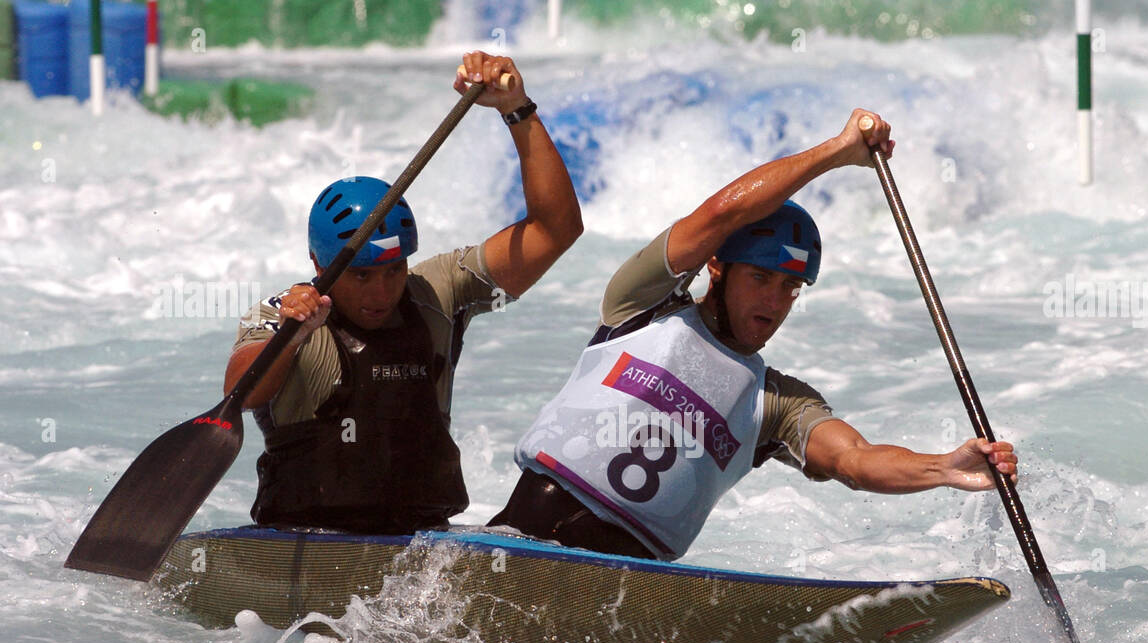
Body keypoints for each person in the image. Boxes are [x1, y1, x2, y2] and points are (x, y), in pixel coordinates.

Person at [491, 109, 1018, 561]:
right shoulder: (641, 306)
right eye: (761, 278)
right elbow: (723, 212)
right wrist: (837, 152)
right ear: (718, 268)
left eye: (791, 287)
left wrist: (944, 467)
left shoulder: (776, 404)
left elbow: (855, 460)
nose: (774, 300)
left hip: (629, 586)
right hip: (517, 539)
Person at [225, 52, 582, 534]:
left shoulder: (438, 290)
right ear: (319, 265)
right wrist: (291, 335)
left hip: (420, 549)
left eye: (394, 270)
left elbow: (556, 229)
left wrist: (517, 109)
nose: (382, 290)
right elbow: (239, 393)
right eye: (362, 275)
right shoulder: (283, 312)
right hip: (310, 538)